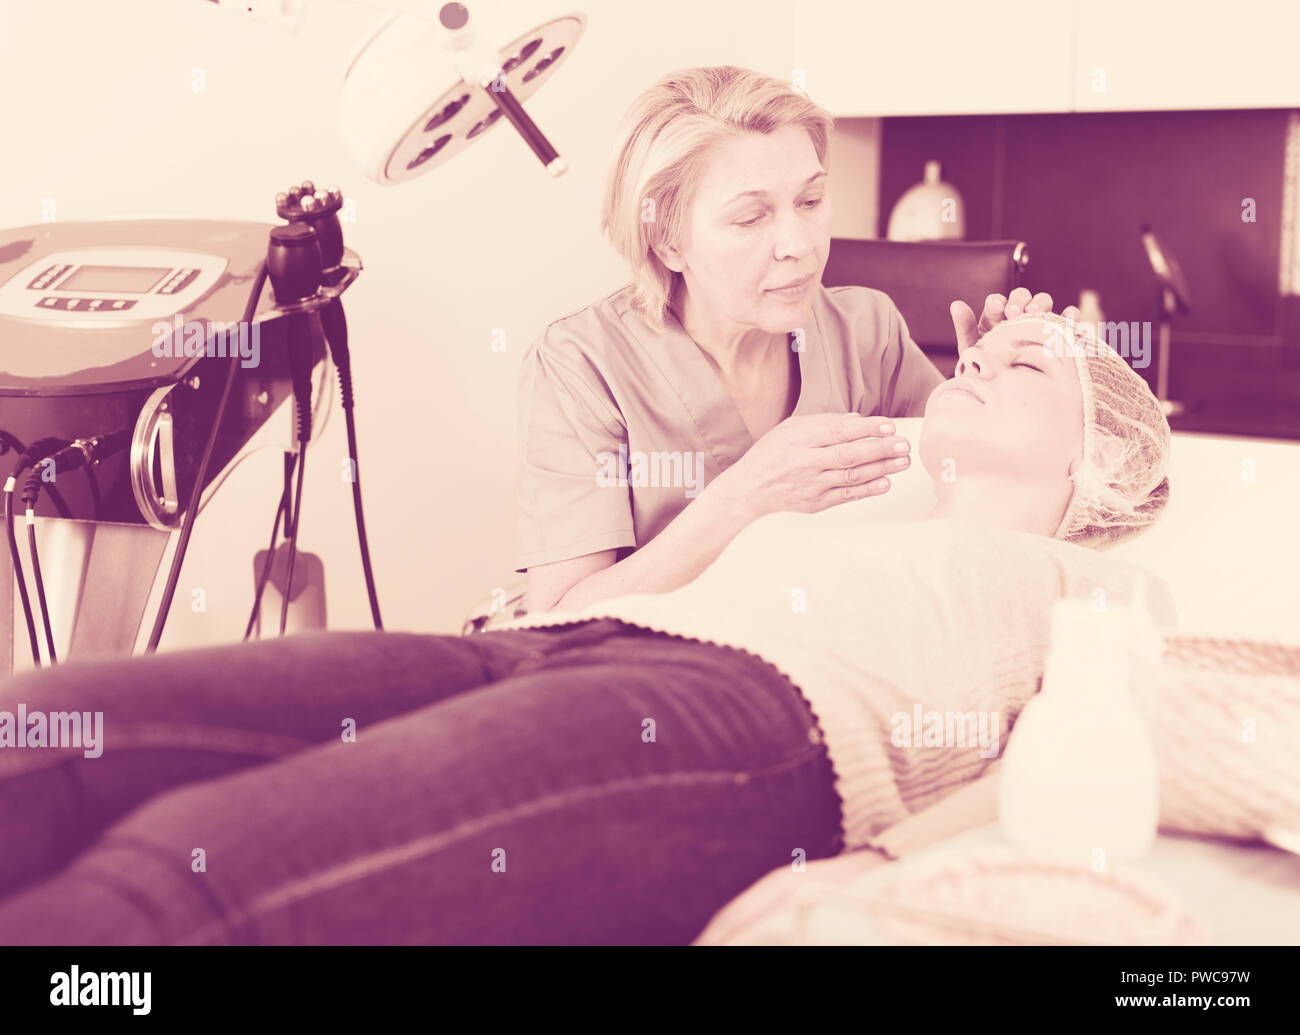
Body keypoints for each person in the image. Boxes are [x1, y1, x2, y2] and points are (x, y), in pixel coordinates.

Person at [0, 313, 1171, 945]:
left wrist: (873, 877)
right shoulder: (862, 497)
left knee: (190, 877)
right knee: (53, 723)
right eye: (978, 349)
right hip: (567, 642)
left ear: (1103, 457)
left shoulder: (1089, 585)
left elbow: (1132, 752)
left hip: (740, 716)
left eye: (1021, 366)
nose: (974, 360)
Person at [517, 65, 1071, 614]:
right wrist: (744, 499)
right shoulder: (582, 365)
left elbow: (964, 494)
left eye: (810, 202)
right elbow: (556, 617)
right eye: (751, 218)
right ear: (668, 243)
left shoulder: (867, 332)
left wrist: (1002, 374)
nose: (799, 245)